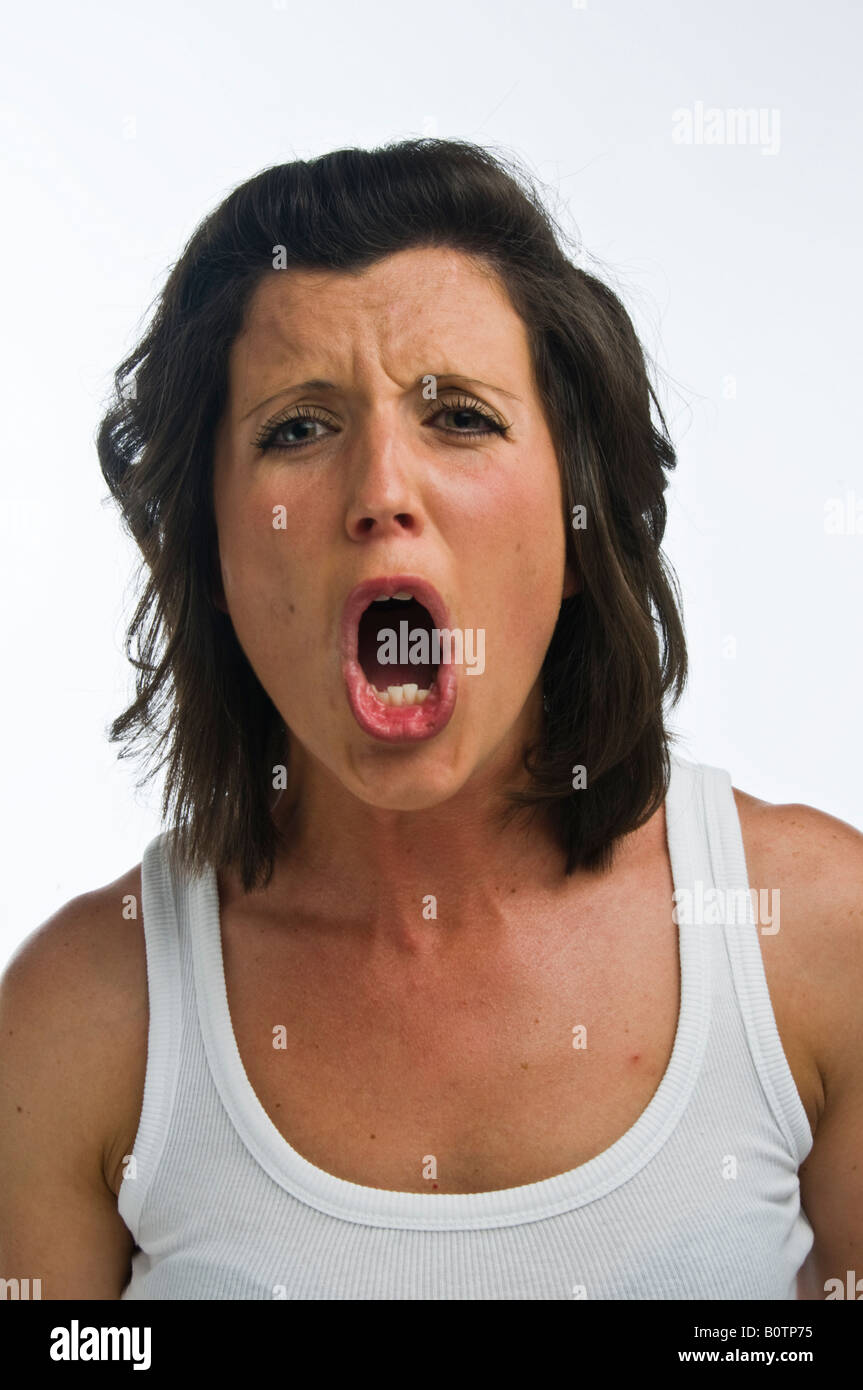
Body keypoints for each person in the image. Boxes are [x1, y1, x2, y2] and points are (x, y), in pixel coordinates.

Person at [0, 138, 860, 1301]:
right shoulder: (79, 1024)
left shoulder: (812, 942)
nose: (379, 493)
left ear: (575, 522)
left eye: (457, 415)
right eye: (297, 428)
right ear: (210, 551)